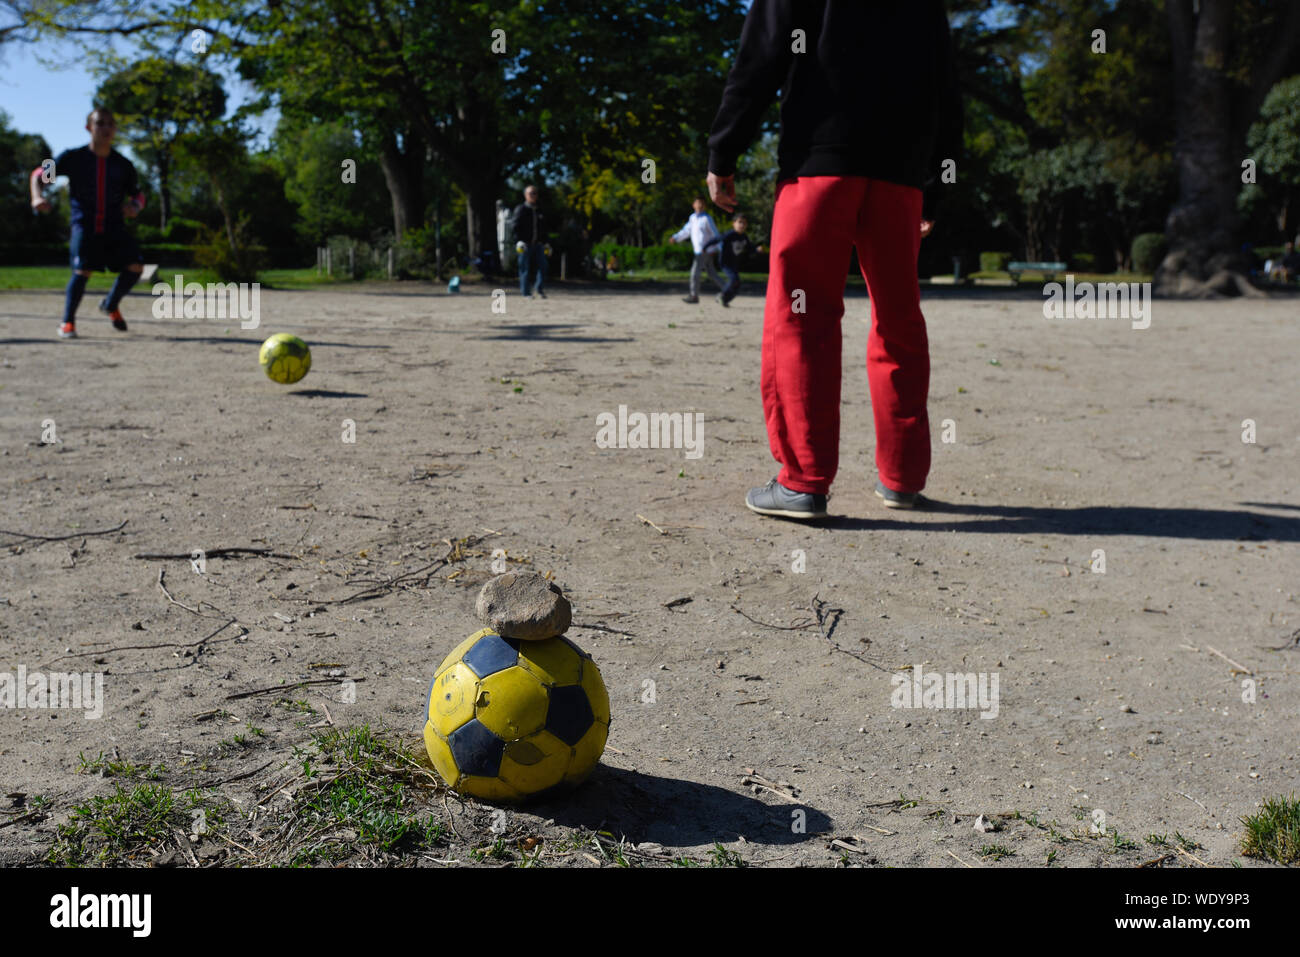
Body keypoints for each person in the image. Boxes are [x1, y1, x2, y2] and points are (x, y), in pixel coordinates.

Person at [705, 1, 962, 520]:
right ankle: (903, 479)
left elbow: (760, 57)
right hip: (899, 179)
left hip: (818, 168)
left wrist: (723, 152)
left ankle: (804, 481)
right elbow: (945, 85)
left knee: (802, 318)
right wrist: (935, 188)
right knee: (899, 322)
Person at [30, 108, 146, 339]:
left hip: (114, 227)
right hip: (84, 225)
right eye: (100, 123)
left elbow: (138, 194)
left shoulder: (123, 164)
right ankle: (67, 323)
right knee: (83, 269)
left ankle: (110, 305)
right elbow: (39, 175)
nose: (106, 128)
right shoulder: (72, 157)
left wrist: (135, 206)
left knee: (136, 266)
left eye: (110, 124)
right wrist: (37, 196)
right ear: (89, 128)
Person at [669, 197, 724, 303]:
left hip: (706, 251)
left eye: (702, 203)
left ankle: (694, 296)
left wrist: (720, 248)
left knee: (695, 272)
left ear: (705, 206)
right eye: (698, 203)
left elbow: (715, 234)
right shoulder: (692, 218)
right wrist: (676, 237)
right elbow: (686, 231)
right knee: (712, 274)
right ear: (693, 205)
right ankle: (728, 289)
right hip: (699, 251)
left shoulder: (707, 218)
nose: (700, 205)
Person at [702, 213, 764, 306]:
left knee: (737, 284)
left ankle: (725, 300)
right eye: (739, 222)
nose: (742, 225)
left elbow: (749, 247)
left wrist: (756, 249)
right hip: (725, 262)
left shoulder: (744, 237)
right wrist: (705, 247)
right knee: (733, 279)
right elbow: (717, 239)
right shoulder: (730, 234)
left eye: (744, 223)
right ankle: (722, 295)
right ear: (733, 224)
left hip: (734, 263)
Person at [511, 184, 548, 299]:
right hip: (524, 245)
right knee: (524, 268)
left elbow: (544, 228)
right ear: (525, 195)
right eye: (530, 193)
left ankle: (539, 288)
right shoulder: (520, 209)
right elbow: (515, 227)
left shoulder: (540, 210)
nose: (533, 195)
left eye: (534, 193)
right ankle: (526, 292)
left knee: (543, 266)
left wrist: (546, 242)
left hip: (538, 244)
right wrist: (518, 241)